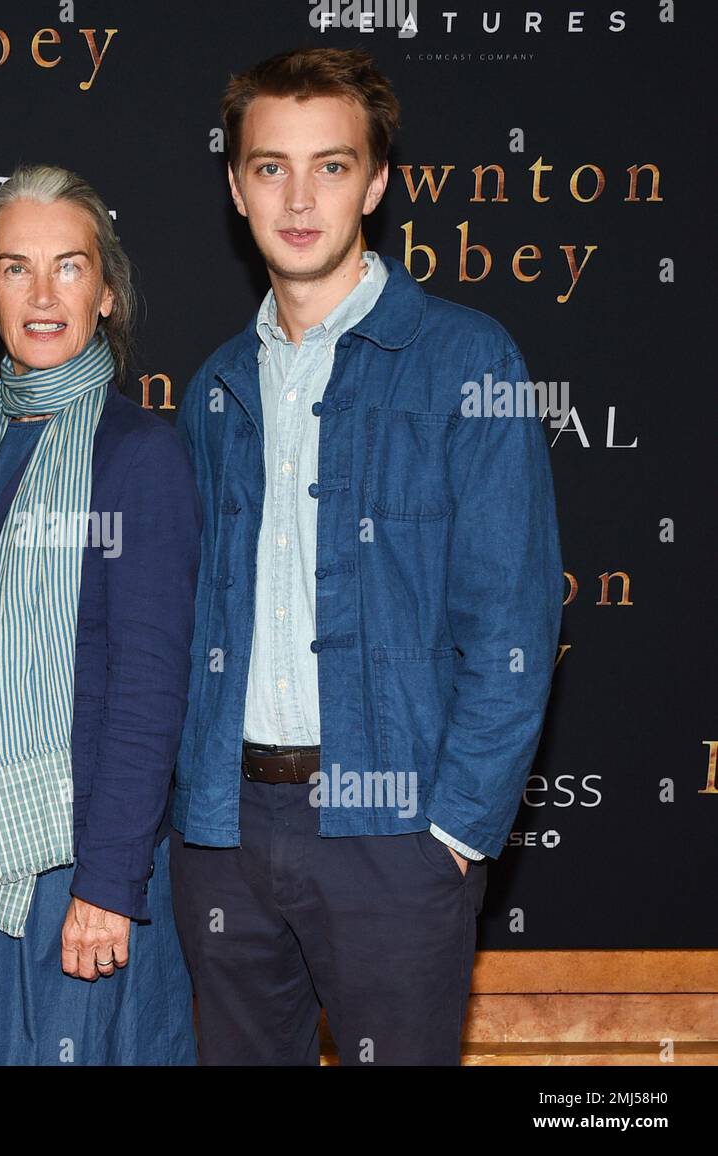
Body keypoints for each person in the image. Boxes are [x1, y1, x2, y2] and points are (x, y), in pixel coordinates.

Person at [170, 47, 563, 1065]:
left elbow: (513, 619)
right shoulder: (214, 389)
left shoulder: (467, 359)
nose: (298, 197)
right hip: (224, 828)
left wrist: (453, 837)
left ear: (377, 182)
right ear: (234, 185)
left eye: (331, 165)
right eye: (270, 166)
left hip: (394, 830)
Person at [0, 165, 201, 1065]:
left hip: (79, 873)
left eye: (69, 268)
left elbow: (151, 687)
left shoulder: (137, 454)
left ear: (106, 293)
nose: (42, 295)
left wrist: (109, 884)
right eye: (15, 268)